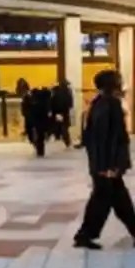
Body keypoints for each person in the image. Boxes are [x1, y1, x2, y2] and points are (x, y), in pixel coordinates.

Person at [73, 70, 135, 250]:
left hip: (102, 163)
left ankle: (85, 235)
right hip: (107, 164)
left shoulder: (98, 103)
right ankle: (84, 235)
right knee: (104, 200)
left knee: (119, 200)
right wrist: (110, 165)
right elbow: (110, 137)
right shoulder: (110, 104)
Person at [26, 87, 52, 157]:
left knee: (38, 136)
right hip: (43, 121)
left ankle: (39, 150)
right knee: (41, 136)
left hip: (36, 121)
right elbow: (47, 111)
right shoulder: (44, 101)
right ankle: (41, 151)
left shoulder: (34, 101)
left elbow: (31, 112)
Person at [51, 79, 74, 148]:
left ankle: (58, 137)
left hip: (58, 111)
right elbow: (70, 103)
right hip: (64, 111)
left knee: (59, 125)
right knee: (64, 126)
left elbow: (53, 101)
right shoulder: (67, 92)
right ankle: (66, 141)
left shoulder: (56, 91)